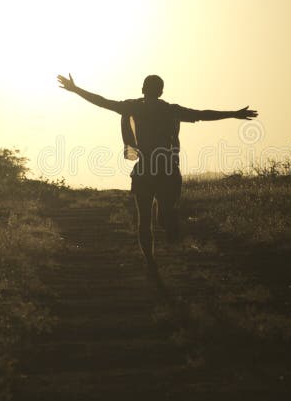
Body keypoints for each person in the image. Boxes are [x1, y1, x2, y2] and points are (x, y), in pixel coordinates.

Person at [57, 73, 257, 270]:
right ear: (161, 91)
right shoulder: (171, 110)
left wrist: (75, 89)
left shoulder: (133, 107)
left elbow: (102, 102)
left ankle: (150, 260)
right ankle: (168, 225)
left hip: (145, 169)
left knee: (144, 220)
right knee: (164, 215)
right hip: (168, 170)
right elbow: (202, 114)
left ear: (143, 89)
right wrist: (233, 114)